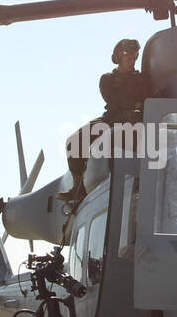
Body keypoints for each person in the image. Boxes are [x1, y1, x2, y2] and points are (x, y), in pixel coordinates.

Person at [61, 38, 153, 203]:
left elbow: (147, 100)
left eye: (134, 58)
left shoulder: (142, 79)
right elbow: (115, 100)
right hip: (112, 118)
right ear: (118, 58)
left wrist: (134, 104)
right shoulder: (108, 79)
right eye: (128, 59)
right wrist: (135, 102)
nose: (132, 62)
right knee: (73, 143)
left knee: (134, 118)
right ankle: (78, 188)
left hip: (134, 118)